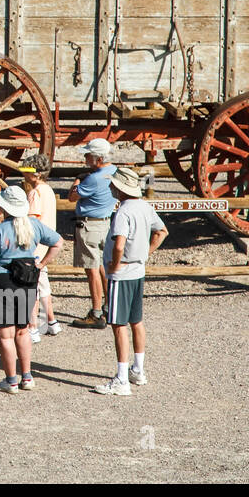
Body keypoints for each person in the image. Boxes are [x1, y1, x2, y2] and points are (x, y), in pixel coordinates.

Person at [0, 185, 62, 394]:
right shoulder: (34, 225)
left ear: (4, 207)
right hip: (27, 280)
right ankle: (27, 376)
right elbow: (58, 242)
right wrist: (42, 264)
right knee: (23, 330)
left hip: (1, 280)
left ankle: (11, 380)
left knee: (6, 336)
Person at [93, 168, 168, 396]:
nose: (110, 187)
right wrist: (146, 253)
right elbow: (162, 232)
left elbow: (118, 244)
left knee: (118, 325)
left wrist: (114, 265)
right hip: (138, 269)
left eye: (113, 185)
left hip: (122, 272)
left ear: (120, 188)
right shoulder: (145, 206)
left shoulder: (123, 212)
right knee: (137, 321)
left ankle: (122, 379)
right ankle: (138, 370)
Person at [68, 138, 117, 329]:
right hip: (105, 224)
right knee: (103, 267)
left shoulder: (93, 179)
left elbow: (72, 196)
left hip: (89, 227)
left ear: (98, 158)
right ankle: (108, 306)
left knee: (91, 269)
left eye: (88, 155)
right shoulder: (113, 172)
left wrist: (77, 180)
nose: (85, 158)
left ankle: (96, 313)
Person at [21, 152, 63, 341]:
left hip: (35, 246)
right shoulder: (48, 191)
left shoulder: (35, 192)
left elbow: (33, 219)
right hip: (47, 243)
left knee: (31, 288)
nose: (24, 174)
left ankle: (33, 327)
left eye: (27, 171)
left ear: (36, 173)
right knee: (43, 285)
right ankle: (52, 322)